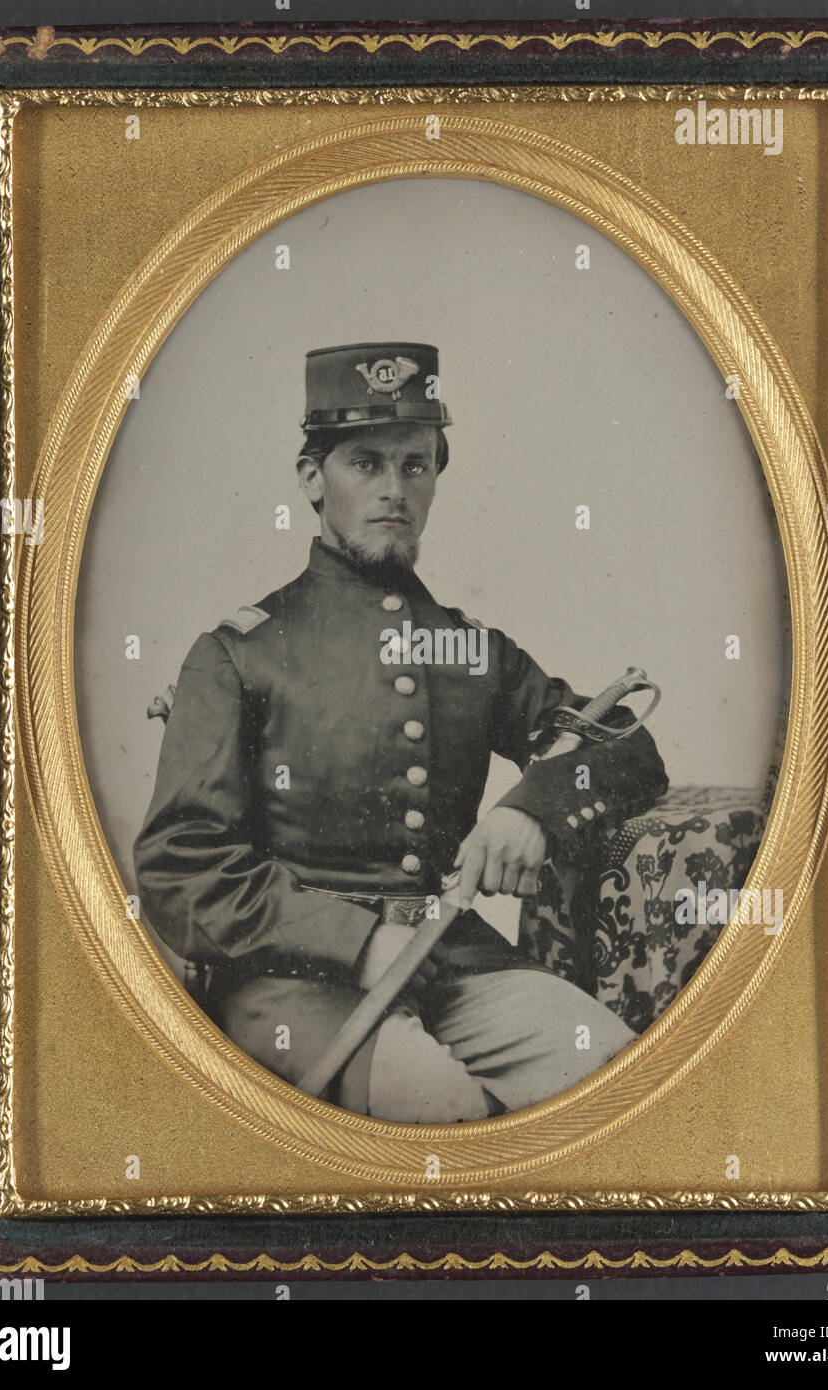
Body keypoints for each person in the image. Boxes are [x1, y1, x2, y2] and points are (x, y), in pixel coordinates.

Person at [134, 342, 668, 1122]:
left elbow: (624, 743)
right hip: (294, 980)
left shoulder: (471, 649)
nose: (394, 490)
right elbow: (178, 869)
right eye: (365, 464)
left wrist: (530, 809)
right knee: (441, 1112)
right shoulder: (238, 652)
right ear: (311, 479)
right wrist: (358, 940)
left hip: (455, 957)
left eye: (415, 466)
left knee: (618, 1085)